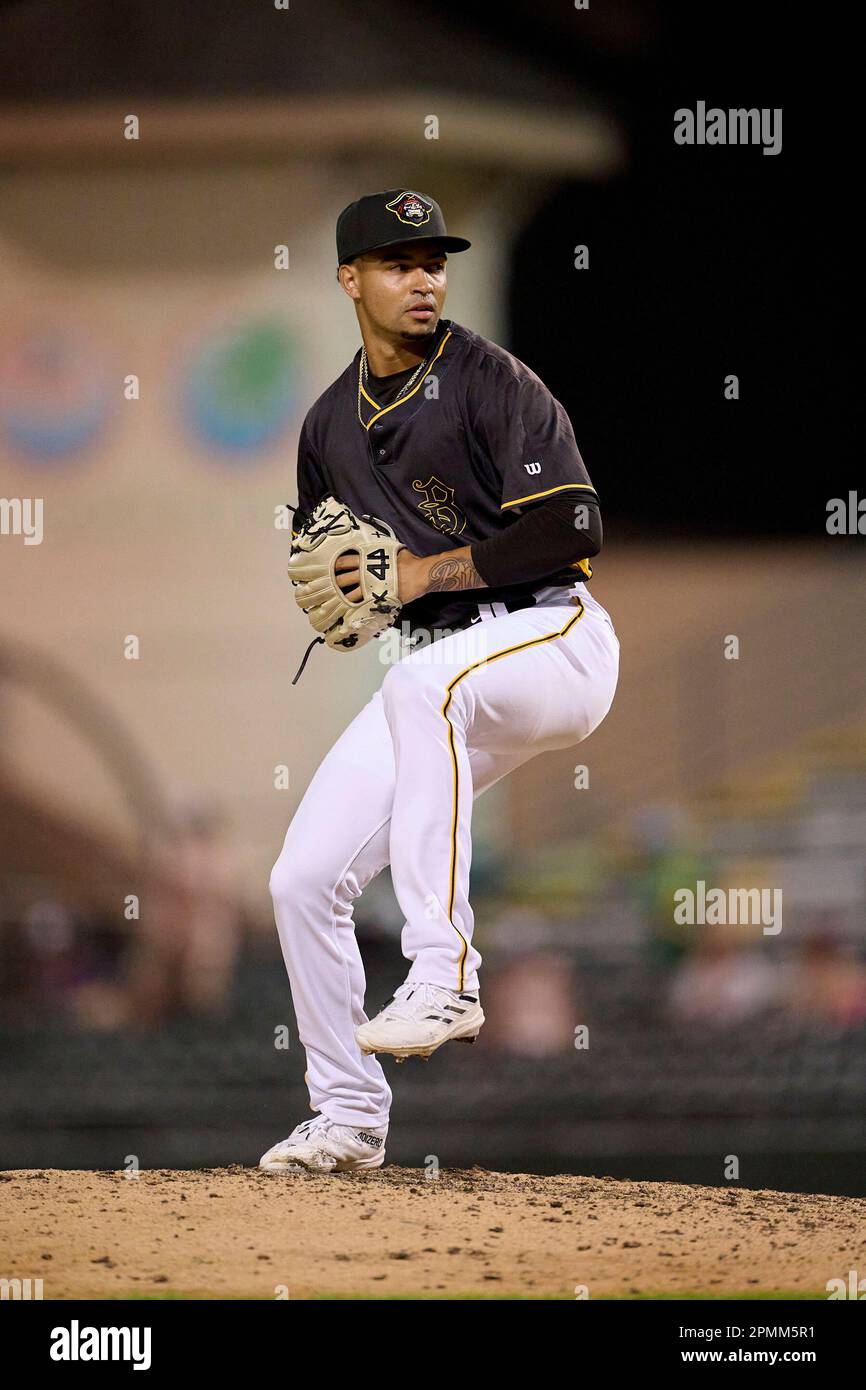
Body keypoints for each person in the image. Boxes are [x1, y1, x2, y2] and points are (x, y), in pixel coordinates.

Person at [260, 189, 620, 1174]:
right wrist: (342, 599)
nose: (422, 279)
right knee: (299, 880)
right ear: (349, 279)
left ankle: (444, 973)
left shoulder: (491, 381)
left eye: (432, 261)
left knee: (425, 691)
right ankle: (346, 1115)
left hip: (555, 639)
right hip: (445, 667)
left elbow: (572, 529)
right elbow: (335, 579)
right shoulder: (327, 426)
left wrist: (418, 574)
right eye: (395, 262)